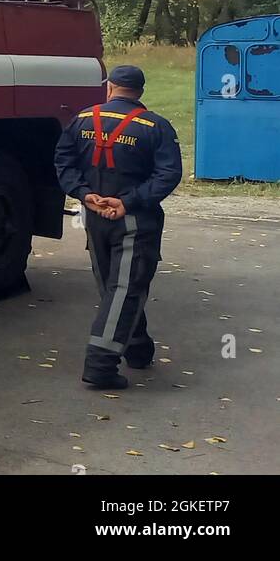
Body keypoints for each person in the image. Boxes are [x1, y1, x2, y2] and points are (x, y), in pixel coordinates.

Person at [54, 65, 183, 390]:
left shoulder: (81, 120)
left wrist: (84, 194)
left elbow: (63, 162)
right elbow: (168, 174)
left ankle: (138, 348)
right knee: (125, 289)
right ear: (140, 91)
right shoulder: (156, 127)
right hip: (134, 220)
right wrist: (129, 202)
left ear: (109, 87)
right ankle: (100, 365)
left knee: (117, 288)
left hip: (95, 218)